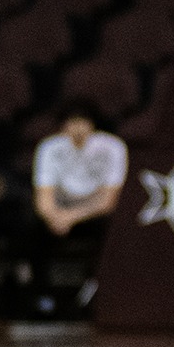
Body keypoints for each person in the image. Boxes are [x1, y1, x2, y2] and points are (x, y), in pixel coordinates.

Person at [28, 101, 128, 316]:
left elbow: (108, 201)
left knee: (114, 229)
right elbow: (43, 199)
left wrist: (71, 217)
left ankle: (95, 293)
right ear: (62, 126)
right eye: (71, 122)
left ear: (93, 125)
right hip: (60, 212)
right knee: (30, 226)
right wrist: (55, 217)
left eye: (83, 121)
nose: (77, 127)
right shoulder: (50, 147)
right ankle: (42, 297)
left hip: (93, 214)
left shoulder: (112, 147)